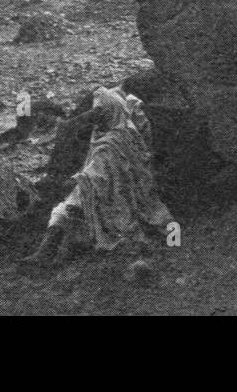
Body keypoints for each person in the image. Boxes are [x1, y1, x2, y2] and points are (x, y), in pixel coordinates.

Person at [27, 85, 174, 264]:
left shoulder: (111, 142)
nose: (97, 119)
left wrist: (74, 180)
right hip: (115, 185)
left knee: (71, 206)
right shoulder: (124, 132)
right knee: (70, 206)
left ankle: (50, 252)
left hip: (114, 191)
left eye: (101, 114)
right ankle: (48, 252)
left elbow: (97, 171)